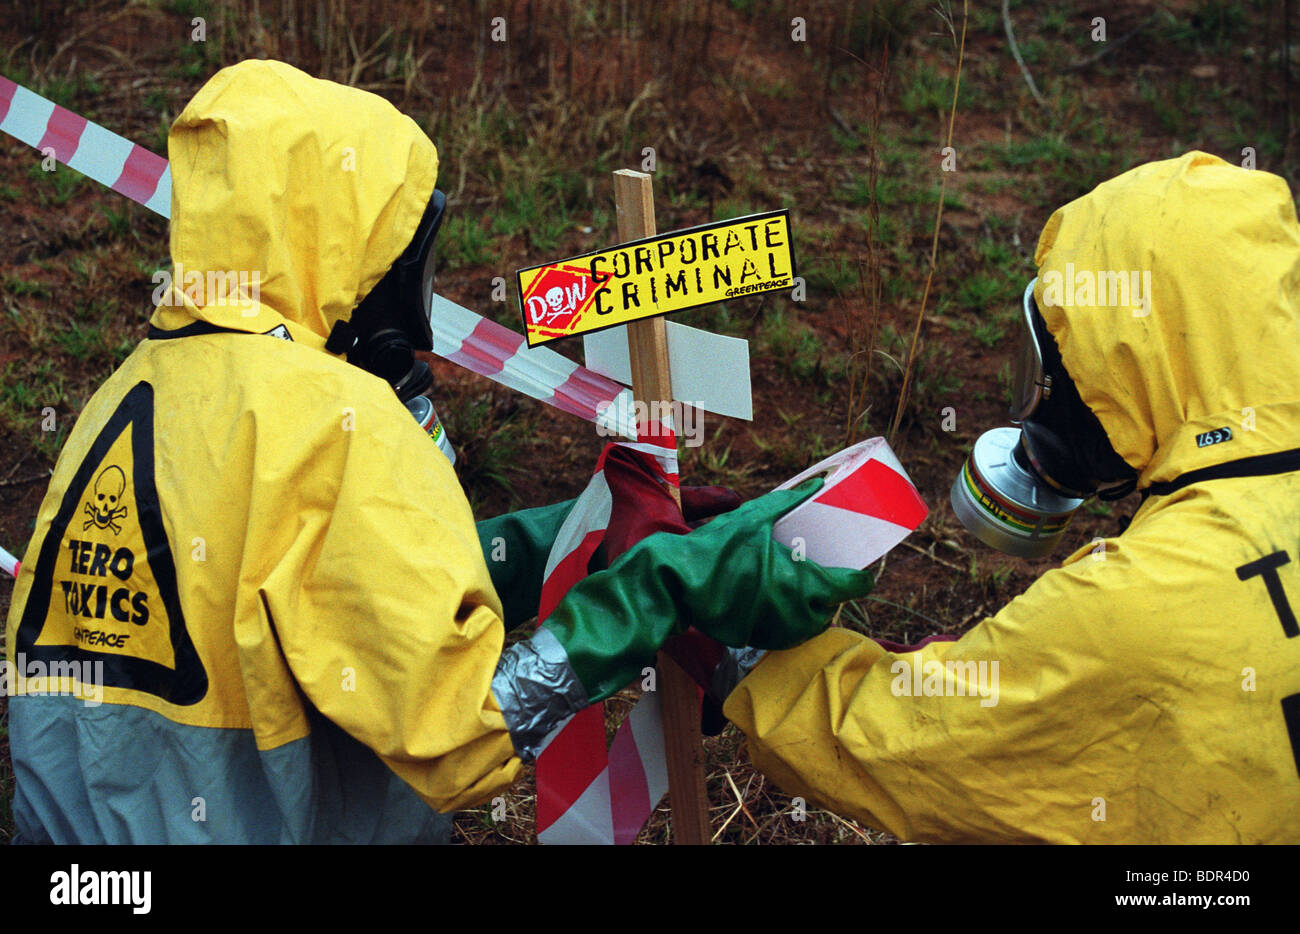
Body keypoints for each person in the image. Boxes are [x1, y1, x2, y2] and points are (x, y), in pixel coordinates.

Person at [3, 59, 872, 844]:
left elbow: (299, 597)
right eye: (406, 253)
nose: (415, 313)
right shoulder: (334, 416)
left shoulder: (131, 392)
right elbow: (460, 736)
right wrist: (649, 594)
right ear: (346, 244)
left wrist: (551, 543)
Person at [721, 152, 1300, 843]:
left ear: (1130, 360)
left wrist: (735, 641)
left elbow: (901, 744)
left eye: (1057, 359)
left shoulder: (1134, 608)